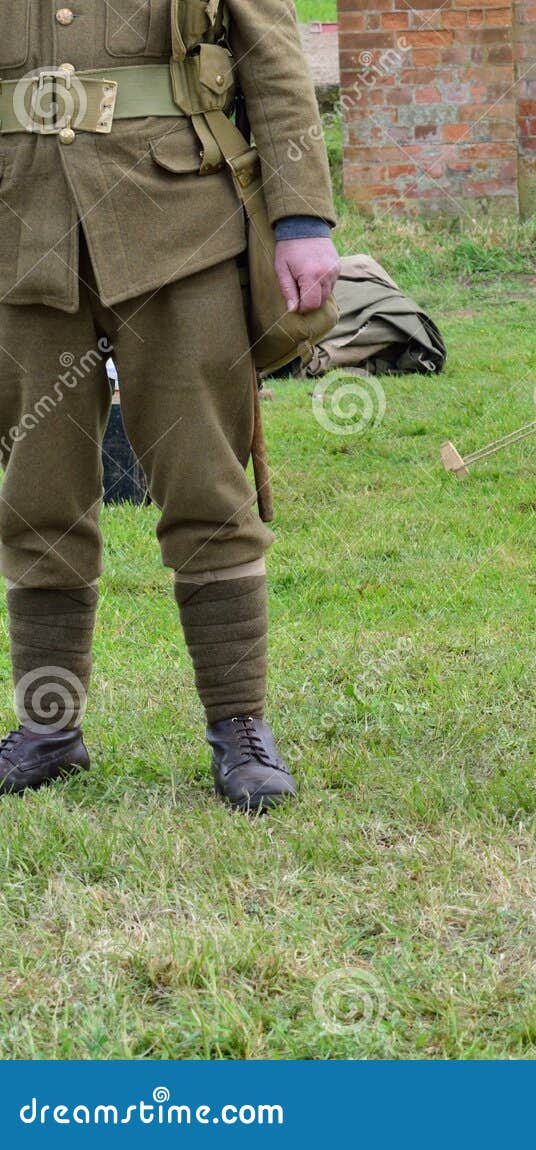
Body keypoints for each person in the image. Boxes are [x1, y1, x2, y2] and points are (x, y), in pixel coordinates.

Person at [0, 0, 339, 810]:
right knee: (36, 494)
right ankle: (49, 729)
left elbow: (275, 62)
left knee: (206, 485)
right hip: (20, 222)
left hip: (180, 215)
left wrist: (301, 218)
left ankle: (239, 727)